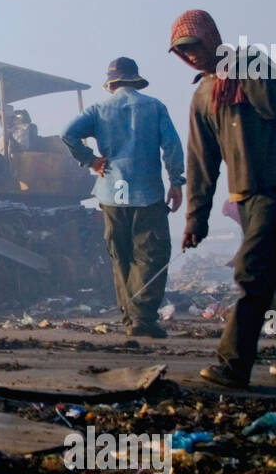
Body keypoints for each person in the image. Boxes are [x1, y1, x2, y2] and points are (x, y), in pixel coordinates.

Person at [170, 8, 276, 387]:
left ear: (211, 39)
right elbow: (201, 162)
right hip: (244, 196)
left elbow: (275, 105)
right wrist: (196, 220)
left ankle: (233, 364)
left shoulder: (252, 68)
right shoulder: (203, 95)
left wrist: (243, 68)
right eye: (183, 50)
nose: (191, 54)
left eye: (194, 46)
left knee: (251, 273)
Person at [61, 57, 184, 338]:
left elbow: (67, 133)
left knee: (121, 256)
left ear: (111, 83)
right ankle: (143, 317)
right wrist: (176, 182)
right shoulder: (154, 107)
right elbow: (172, 147)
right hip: (147, 193)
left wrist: (90, 160)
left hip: (112, 192)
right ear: (135, 80)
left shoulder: (98, 109)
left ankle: (131, 318)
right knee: (151, 255)